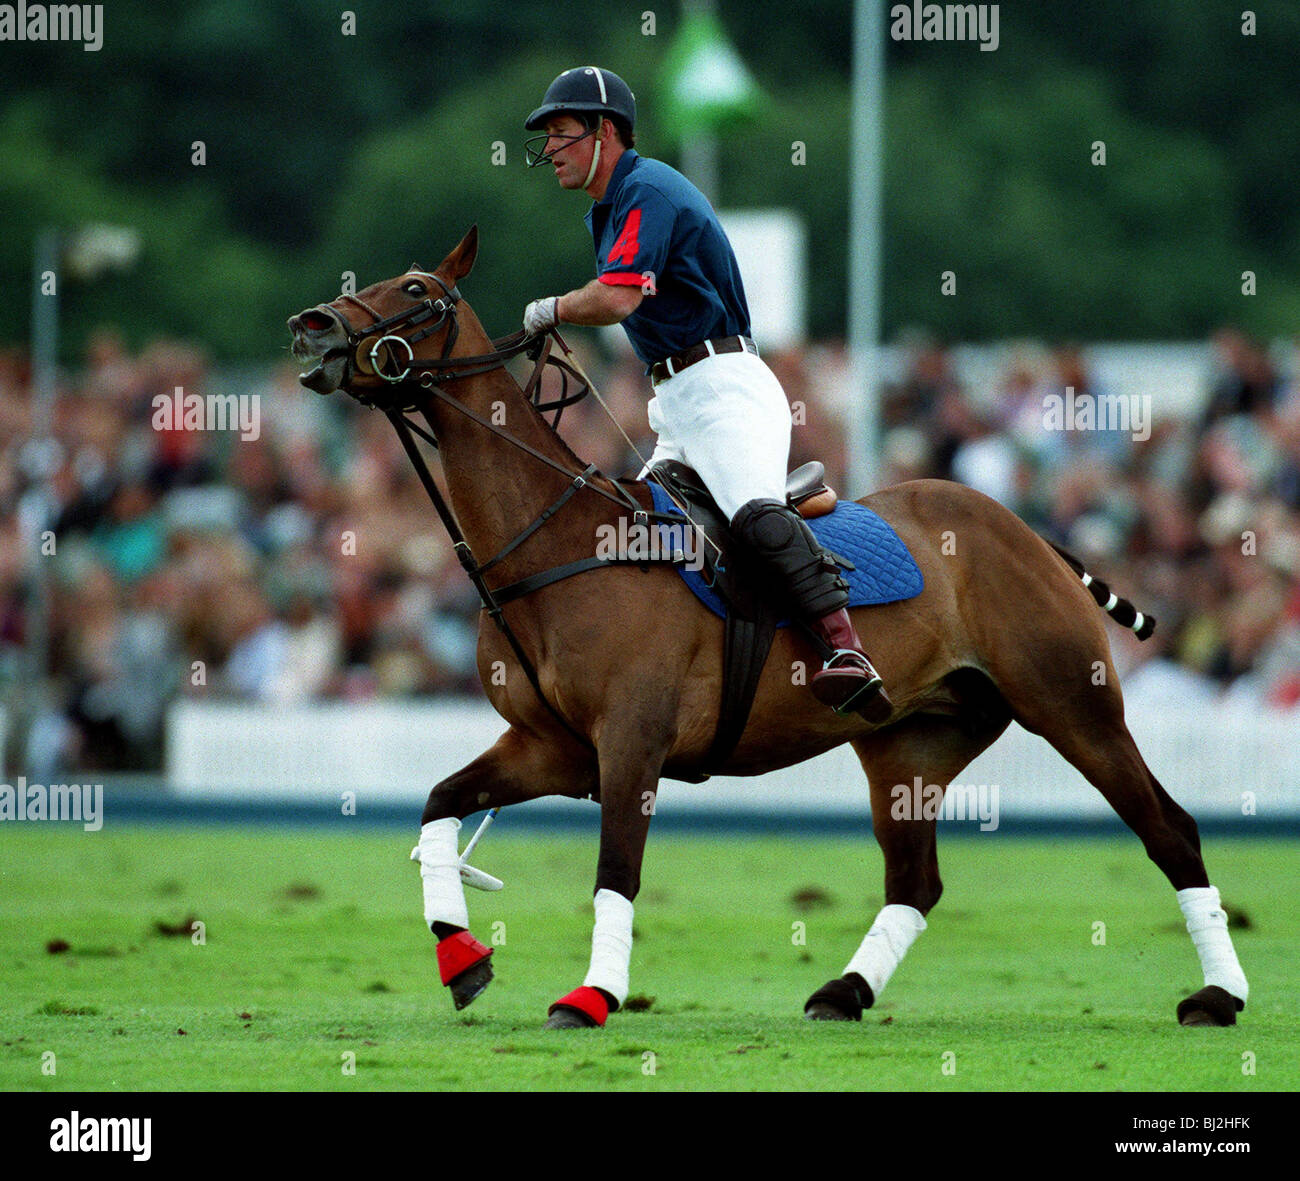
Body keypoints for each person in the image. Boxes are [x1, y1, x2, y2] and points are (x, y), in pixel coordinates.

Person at [521, 66, 890, 720]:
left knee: (751, 513)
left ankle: (847, 648)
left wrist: (553, 308)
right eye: (546, 136)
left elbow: (617, 295)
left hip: (726, 388)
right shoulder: (603, 213)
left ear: (605, 133)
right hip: (679, 403)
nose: (550, 149)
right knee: (638, 532)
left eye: (562, 133)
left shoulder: (647, 189)